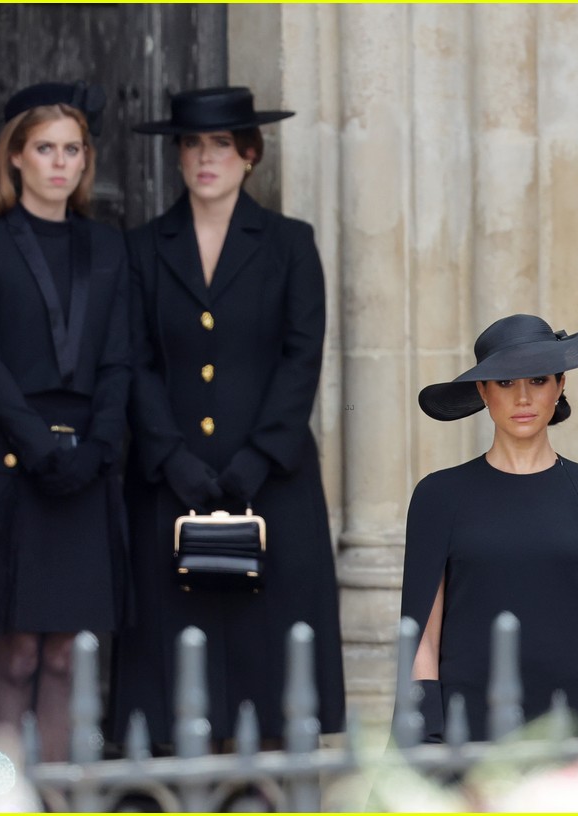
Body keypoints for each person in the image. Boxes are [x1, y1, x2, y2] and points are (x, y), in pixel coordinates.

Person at [114, 86, 345, 745]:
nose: (205, 157)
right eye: (192, 144)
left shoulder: (289, 244)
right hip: (170, 484)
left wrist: (258, 458)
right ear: (177, 157)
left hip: (273, 482)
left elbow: (303, 356)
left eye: (221, 144)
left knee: (266, 662)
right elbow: (134, 362)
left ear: (250, 154)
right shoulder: (142, 248)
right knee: (175, 661)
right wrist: (171, 457)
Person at [0, 81, 130, 762]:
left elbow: (119, 357)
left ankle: (61, 797)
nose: (59, 163)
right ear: (15, 156)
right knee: (13, 651)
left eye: (72, 149)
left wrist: (99, 443)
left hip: (84, 462)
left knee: (69, 651)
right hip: (9, 455)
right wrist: (39, 447)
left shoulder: (108, 246)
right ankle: (4, 799)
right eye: (44, 148)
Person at [399, 313, 578, 741]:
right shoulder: (438, 496)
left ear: (560, 385)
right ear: (482, 391)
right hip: (467, 729)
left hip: (575, 728)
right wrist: (428, 739)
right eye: (505, 382)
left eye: (537, 380)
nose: (523, 398)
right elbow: (421, 632)